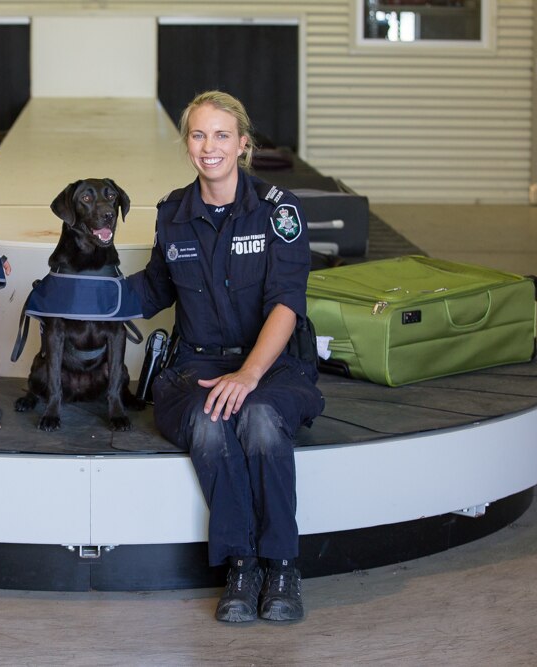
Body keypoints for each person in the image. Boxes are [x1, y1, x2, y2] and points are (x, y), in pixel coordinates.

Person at [128, 91, 324, 623]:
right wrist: (81, 290)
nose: (208, 146)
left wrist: (249, 373)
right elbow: (152, 291)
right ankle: (242, 566)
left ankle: (281, 565)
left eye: (220, 135)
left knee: (259, 420)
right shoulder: (173, 214)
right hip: (194, 369)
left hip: (273, 366)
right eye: (197, 134)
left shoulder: (278, 210)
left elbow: (287, 302)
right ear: (187, 143)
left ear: (242, 144)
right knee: (213, 427)